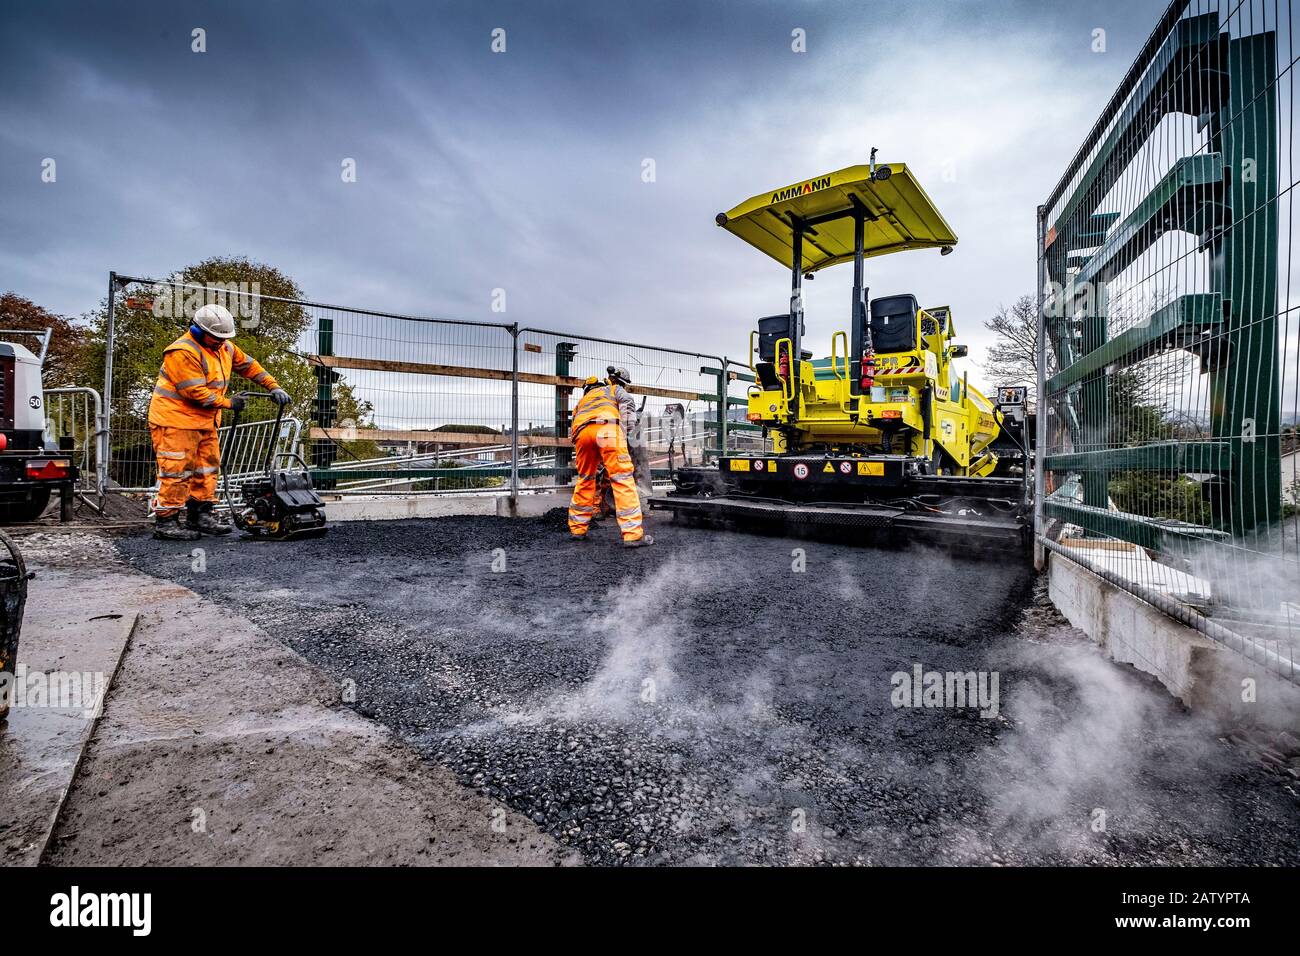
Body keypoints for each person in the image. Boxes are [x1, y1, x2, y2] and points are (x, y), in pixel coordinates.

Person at [148, 303, 291, 541]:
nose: (220, 342)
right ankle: (166, 521)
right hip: (175, 421)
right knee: (176, 470)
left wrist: (273, 386)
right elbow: (194, 392)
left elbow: (249, 365)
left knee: (207, 469)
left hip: (205, 422)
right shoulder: (182, 352)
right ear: (198, 331)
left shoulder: (224, 348)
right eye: (215, 337)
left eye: (223, 338)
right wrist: (229, 403)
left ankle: (200, 515)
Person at [567, 372, 652, 547]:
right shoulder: (612, 389)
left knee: (585, 479)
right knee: (622, 480)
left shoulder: (582, 401)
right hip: (608, 430)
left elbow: (573, 426)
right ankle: (633, 535)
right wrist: (626, 430)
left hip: (582, 434)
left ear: (587, 388)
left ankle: (577, 529)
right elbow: (627, 401)